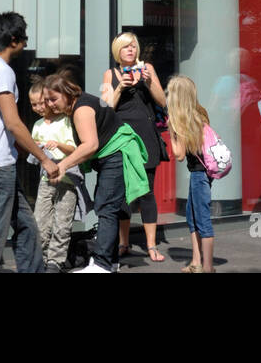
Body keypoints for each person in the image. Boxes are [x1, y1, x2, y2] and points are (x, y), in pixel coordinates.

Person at [0, 12, 59, 273]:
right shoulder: (0, 70)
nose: (26, 43)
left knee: (27, 227)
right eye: (25, 38)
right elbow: (13, 122)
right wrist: (44, 159)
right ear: (15, 40)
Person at [43, 70, 149, 273]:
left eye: (53, 99)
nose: (50, 104)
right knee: (108, 206)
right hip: (111, 154)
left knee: (106, 206)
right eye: (47, 100)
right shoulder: (79, 104)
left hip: (117, 153)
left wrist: (63, 165)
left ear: (67, 93)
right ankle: (110, 262)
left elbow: (90, 145)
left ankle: (101, 265)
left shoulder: (81, 109)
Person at [99, 31, 167, 262]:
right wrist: (120, 87)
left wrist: (147, 81)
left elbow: (163, 101)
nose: (131, 50)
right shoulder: (111, 74)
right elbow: (106, 108)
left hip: (147, 138)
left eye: (134, 46)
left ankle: (151, 246)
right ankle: (124, 242)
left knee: (147, 192)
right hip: (123, 140)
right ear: (117, 51)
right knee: (123, 194)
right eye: (126, 47)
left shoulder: (147, 68)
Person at [166, 75, 216, 273]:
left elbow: (178, 154)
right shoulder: (199, 113)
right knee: (192, 217)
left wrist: (171, 131)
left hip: (199, 174)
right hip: (202, 172)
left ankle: (207, 267)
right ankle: (196, 262)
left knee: (201, 219)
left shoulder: (183, 121)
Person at [28, 78, 78, 272]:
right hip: (45, 178)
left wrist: (58, 145)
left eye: (42, 102)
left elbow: (74, 149)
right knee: (40, 220)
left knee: (62, 223)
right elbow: (33, 151)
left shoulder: (65, 121)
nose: (39, 107)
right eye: (34, 104)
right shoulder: (38, 125)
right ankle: (40, 257)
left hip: (67, 177)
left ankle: (55, 261)